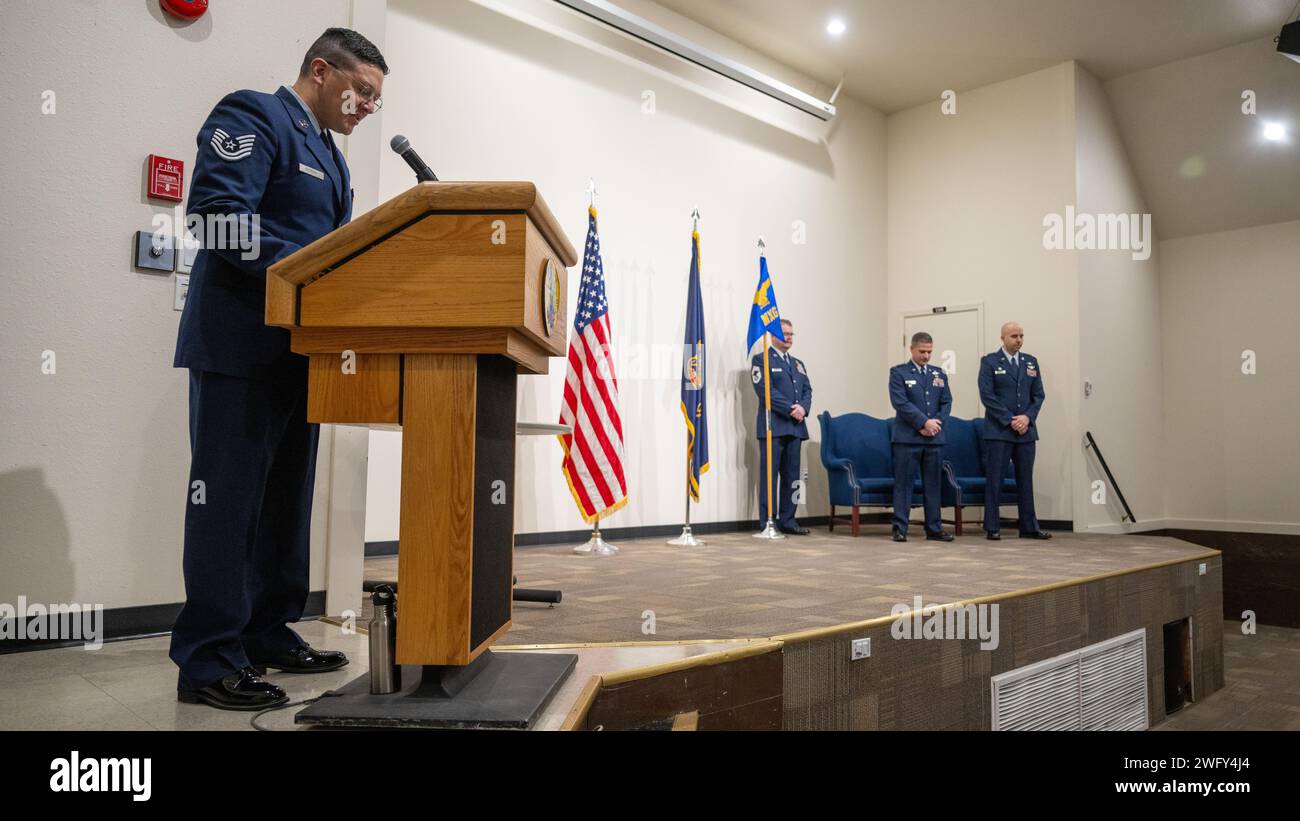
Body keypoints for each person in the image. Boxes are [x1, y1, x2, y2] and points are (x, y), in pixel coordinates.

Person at [170, 28, 388, 710]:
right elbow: (215, 217)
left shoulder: (334, 158)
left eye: (377, 100)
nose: (367, 107)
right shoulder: (254, 115)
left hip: (300, 355)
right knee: (228, 506)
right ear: (320, 71)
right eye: (362, 91)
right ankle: (208, 658)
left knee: (284, 508)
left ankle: (266, 631)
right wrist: (311, 271)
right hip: (238, 348)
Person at [977, 322, 1051, 540]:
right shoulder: (989, 361)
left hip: (1025, 431)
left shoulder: (1030, 362)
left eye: (1021, 336)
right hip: (999, 431)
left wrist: (1027, 417)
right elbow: (987, 395)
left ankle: (1029, 527)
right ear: (1002, 338)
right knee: (995, 480)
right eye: (1013, 336)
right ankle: (993, 527)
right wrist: (1010, 420)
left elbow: (1038, 395)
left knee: (1025, 480)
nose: (1018, 340)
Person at [888, 332, 954, 542]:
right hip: (907, 438)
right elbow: (900, 403)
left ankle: (934, 528)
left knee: (933, 484)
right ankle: (900, 527)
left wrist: (935, 424)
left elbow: (946, 402)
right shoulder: (898, 372)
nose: (926, 356)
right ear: (912, 349)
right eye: (922, 352)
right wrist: (923, 423)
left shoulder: (939, 373)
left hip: (934, 438)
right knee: (904, 484)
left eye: (929, 352)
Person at [752, 318, 813, 535]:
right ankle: (768, 521)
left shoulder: (798, 363)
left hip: (795, 428)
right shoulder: (761, 361)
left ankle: (789, 520)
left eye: (790, 334)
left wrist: (803, 409)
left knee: (793, 477)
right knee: (770, 476)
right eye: (784, 333)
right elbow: (765, 391)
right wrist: (791, 409)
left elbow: (807, 390)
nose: (788, 337)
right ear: (772, 335)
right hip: (773, 428)